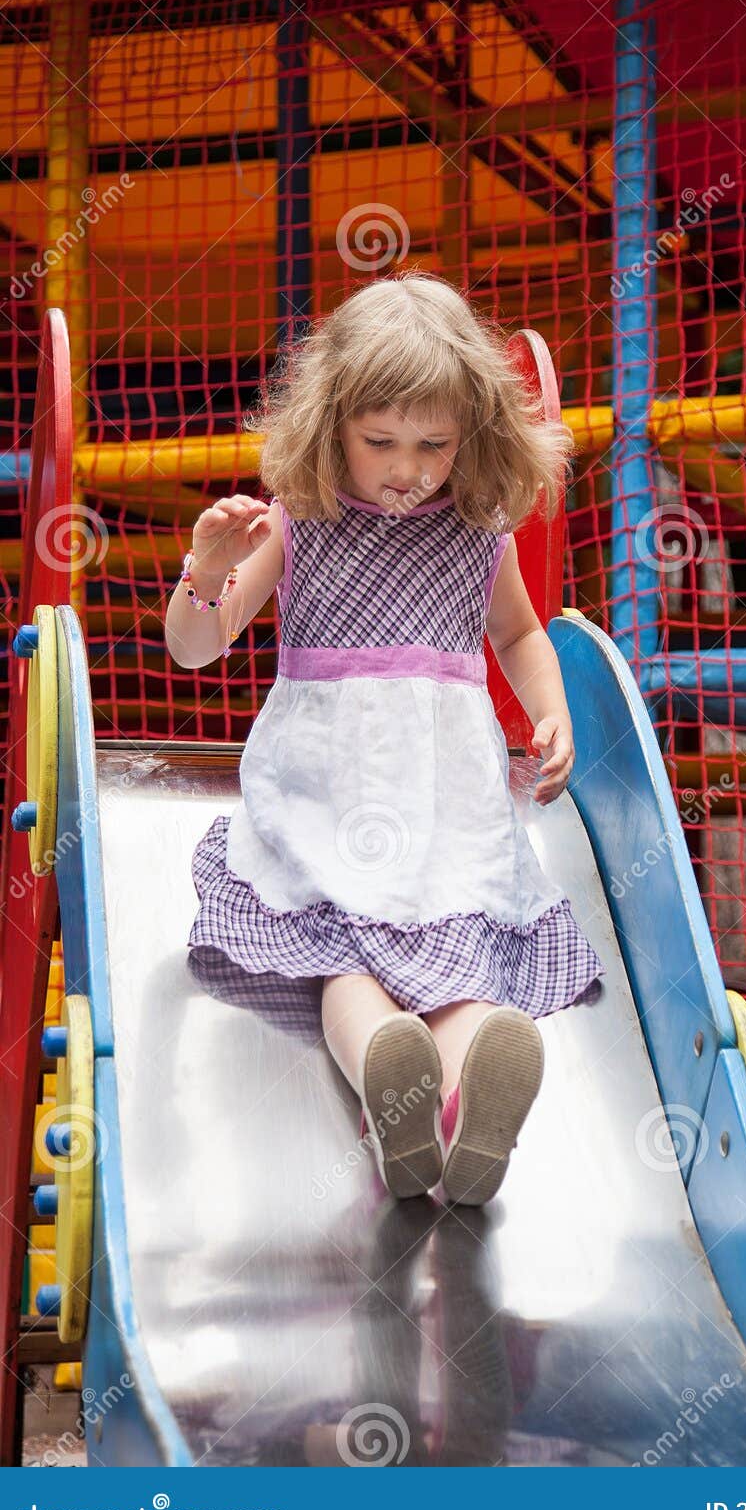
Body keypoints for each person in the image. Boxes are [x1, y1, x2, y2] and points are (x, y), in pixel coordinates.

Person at [164, 271, 604, 1208]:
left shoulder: (477, 534)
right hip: (330, 796)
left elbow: (521, 635)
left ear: (472, 436)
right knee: (348, 961)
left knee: (451, 964)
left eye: (434, 445)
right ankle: (398, 1087)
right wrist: (204, 572)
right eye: (381, 443)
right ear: (333, 428)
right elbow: (199, 646)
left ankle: (468, 1098)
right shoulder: (302, 525)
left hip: (443, 800)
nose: (408, 468)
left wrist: (550, 711)